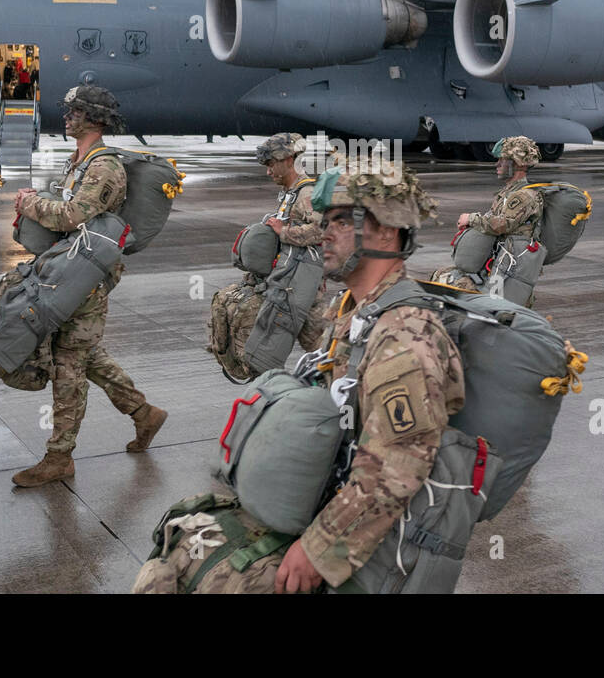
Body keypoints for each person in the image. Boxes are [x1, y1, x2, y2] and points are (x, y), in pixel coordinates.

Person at [133, 157, 456, 593]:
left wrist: (319, 550)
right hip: (323, 498)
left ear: (385, 229)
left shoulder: (405, 337)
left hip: (362, 535)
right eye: (325, 219)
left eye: (341, 220)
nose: (325, 232)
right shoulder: (354, 313)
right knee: (173, 546)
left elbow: (398, 468)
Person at [9, 86, 167, 486]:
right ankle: (144, 414)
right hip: (69, 272)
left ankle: (59, 456)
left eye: (75, 111)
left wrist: (29, 203)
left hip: (87, 280)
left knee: (68, 363)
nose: (67, 116)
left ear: (95, 118)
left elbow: (72, 215)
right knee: (86, 355)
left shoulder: (104, 168)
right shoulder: (79, 161)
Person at [206, 133, 327, 380]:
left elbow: (322, 231)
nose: (268, 172)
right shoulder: (288, 193)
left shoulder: (307, 194)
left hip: (304, 286)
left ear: (289, 159)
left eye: (271, 164)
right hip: (288, 281)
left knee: (320, 349)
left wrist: (285, 232)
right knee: (306, 345)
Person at [433, 135, 545, 292]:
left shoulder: (524, 196)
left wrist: (471, 219)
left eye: (503, 160)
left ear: (518, 164)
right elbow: (493, 218)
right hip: (497, 263)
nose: (497, 164)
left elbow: (502, 225)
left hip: (508, 270)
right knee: (442, 276)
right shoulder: (507, 193)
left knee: (459, 289)